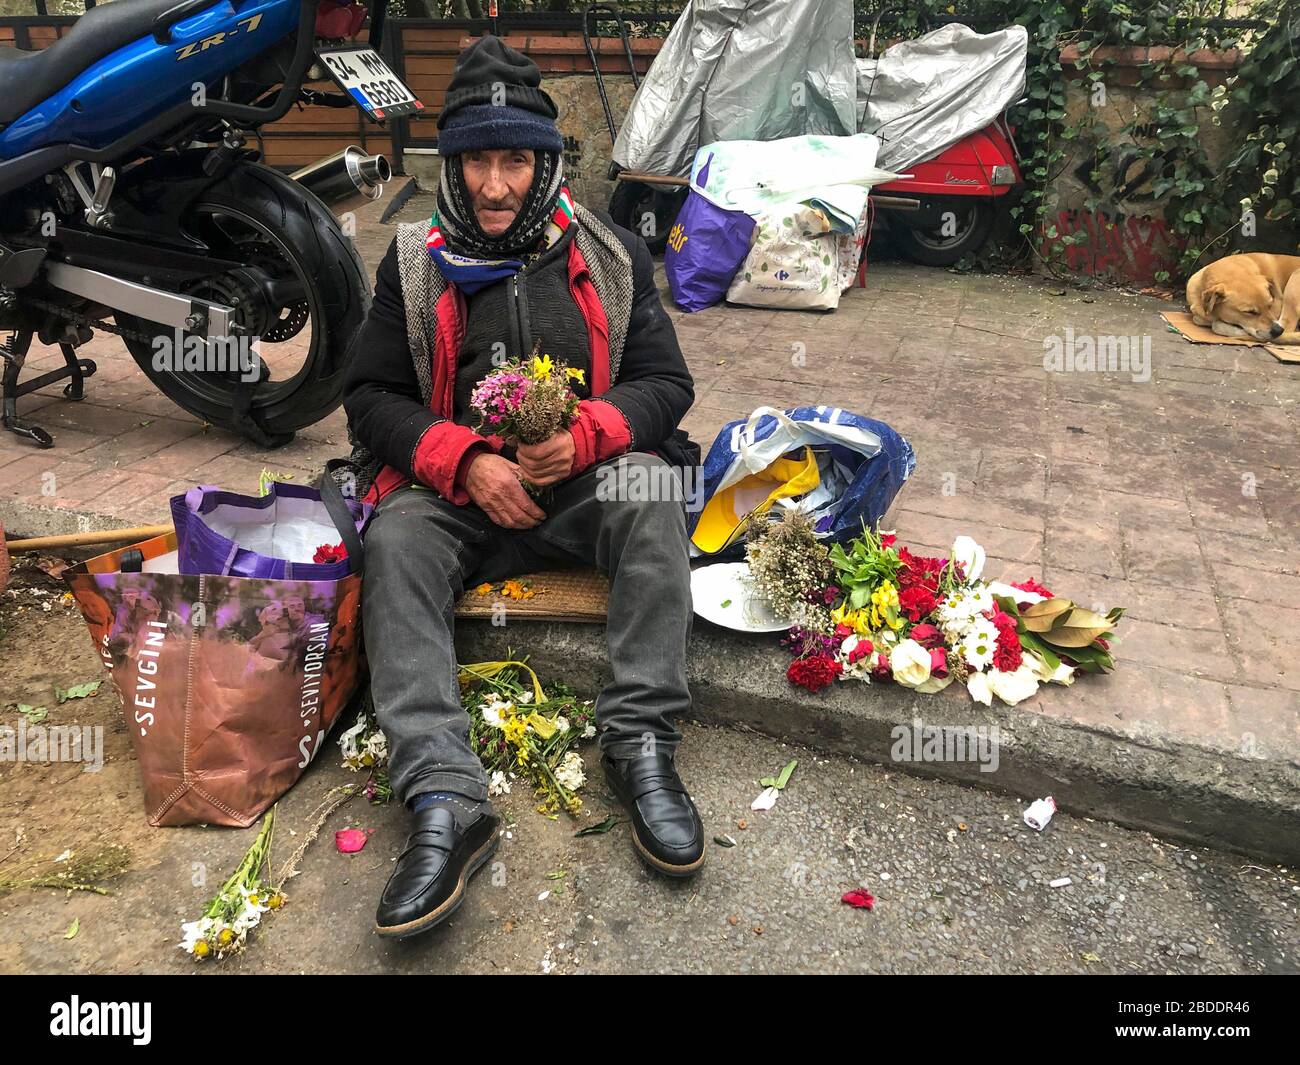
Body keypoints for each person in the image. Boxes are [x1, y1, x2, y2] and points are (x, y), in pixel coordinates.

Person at [339, 35, 705, 940]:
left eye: (514, 161)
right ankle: (443, 796)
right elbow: (371, 397)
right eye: (473, 163)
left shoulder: (612, 253)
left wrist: (584, 437)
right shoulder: (414, 263)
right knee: (395, 539)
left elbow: (665, 384)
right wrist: (461, 458)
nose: (494, 187)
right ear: (450, 166)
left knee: (652, 493)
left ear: (546, 163)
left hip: (576, 485)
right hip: (460, 498)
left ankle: (641, 742)